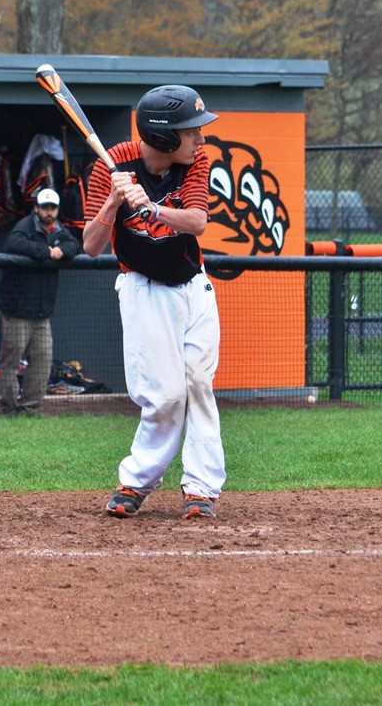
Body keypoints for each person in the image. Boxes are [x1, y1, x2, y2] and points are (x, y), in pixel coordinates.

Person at [82, 84, 225, 521]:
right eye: (190, 132)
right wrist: (114, 200)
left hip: (192, 286)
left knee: (199, 384)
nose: (200, 140)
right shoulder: (110, 166)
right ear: (163, 138)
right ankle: (137, 481)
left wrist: (153, 209)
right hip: (144, 289)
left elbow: (197, 222)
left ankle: (201, 489)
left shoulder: (196, 161)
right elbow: (90, 245)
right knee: (163, 396)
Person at [0, 188, 81, 416]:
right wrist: (46, 251)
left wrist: (61, 250)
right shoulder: (25, 226)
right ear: (36, 208)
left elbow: (75, 245)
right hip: (16, 310)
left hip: (42, 312)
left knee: (42, 363)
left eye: (53, 208)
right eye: (45, 207)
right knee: (10, 363)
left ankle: (30, 409)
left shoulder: (60, 231)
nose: (49, 212)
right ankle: (8, 410)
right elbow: (13, 244)